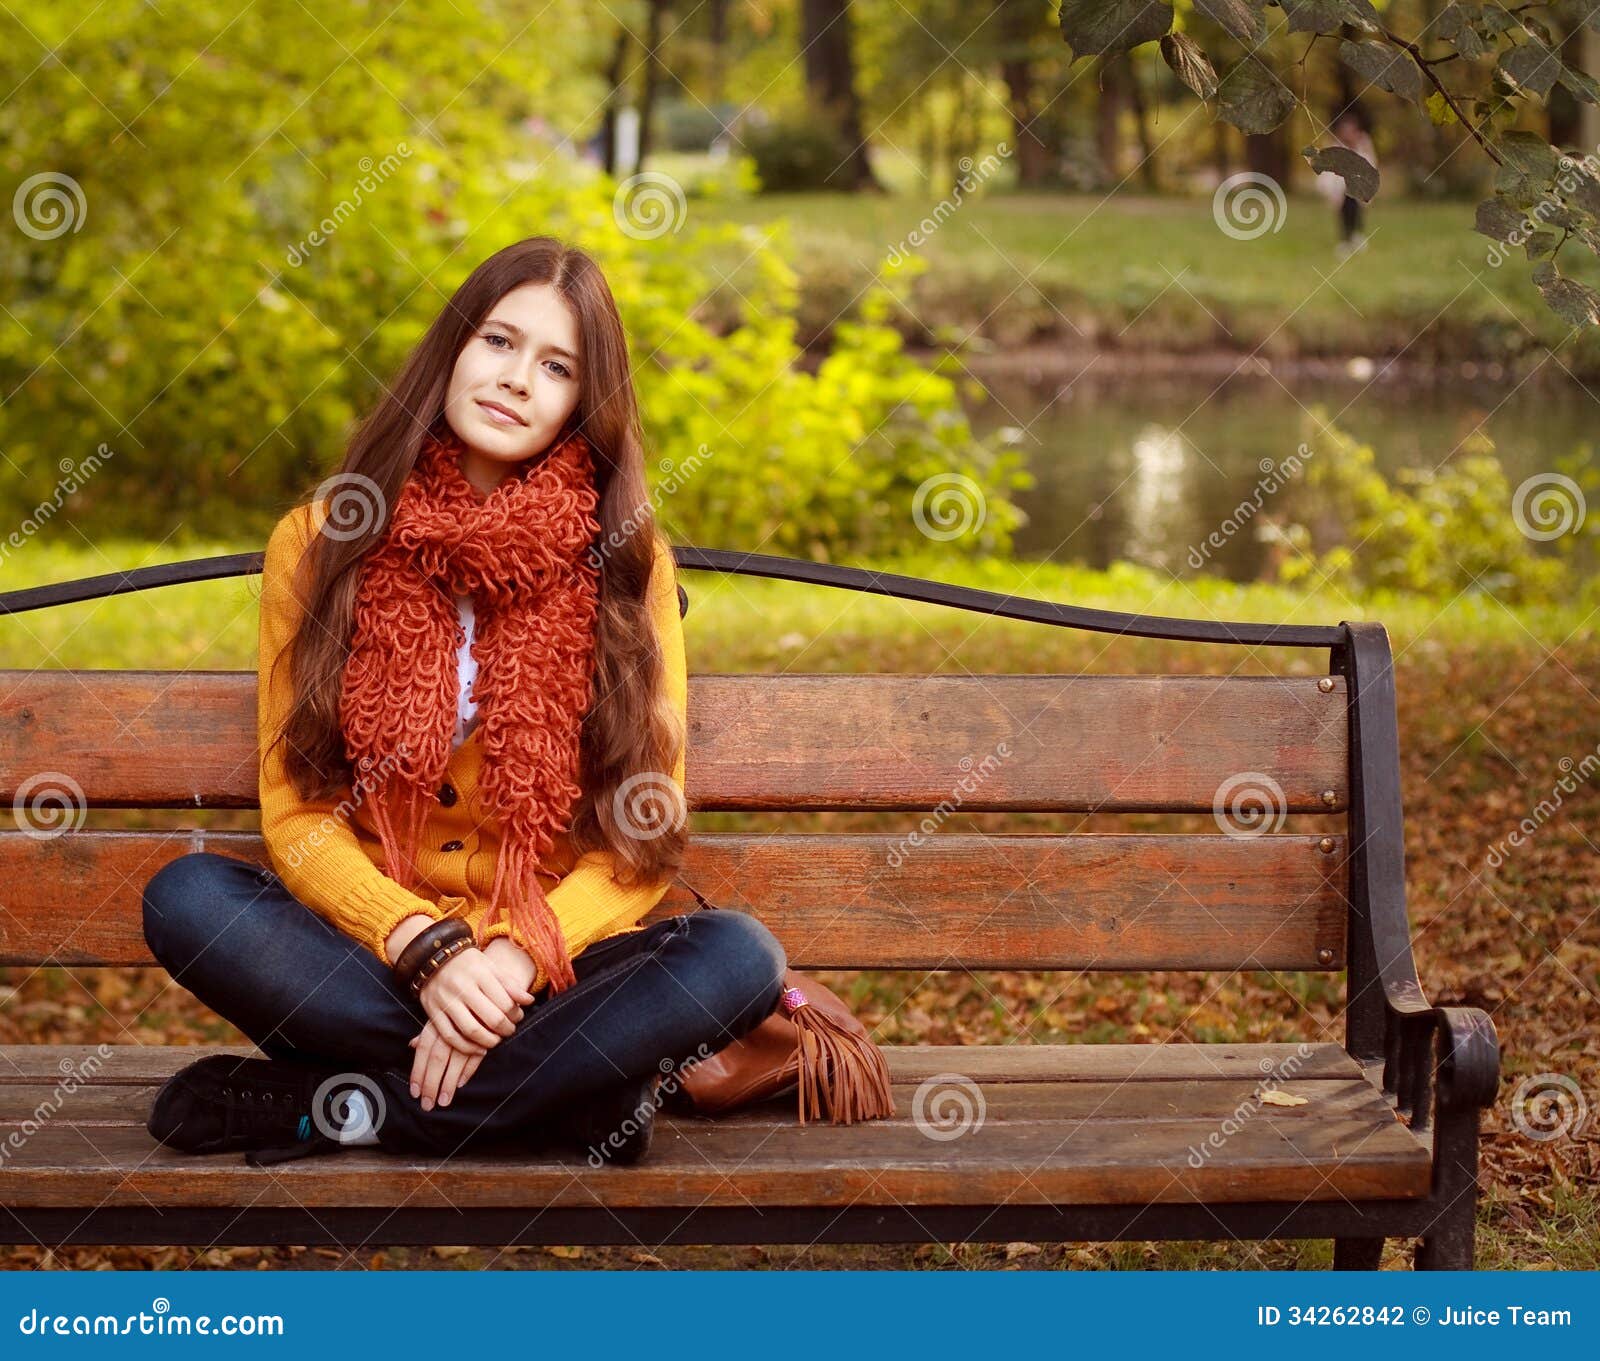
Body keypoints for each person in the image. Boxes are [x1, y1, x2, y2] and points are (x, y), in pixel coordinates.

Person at [141, 235, 788, 1166]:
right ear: (450, 350)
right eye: (497, 341)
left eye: (556, 365)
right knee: (191, 896)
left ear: (582, 402)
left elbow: (644, 836)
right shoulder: (326, 541)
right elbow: (297, 817)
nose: (517, 379)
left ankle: (329, 1107)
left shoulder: (629, 564)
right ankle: (568, 1108)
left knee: (739, 956)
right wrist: (423, 947)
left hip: (551, 975)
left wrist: (513, 955)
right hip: (370, 960)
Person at [1318, 108, 1375, 259]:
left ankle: (1357, 235)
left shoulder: (1363, 145)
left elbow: (1370, 164)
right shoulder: (1335, 146)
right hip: (1340, 189)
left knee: (1358, 211)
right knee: (1343, 213)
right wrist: (1328, 189)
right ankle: (1345, 239)